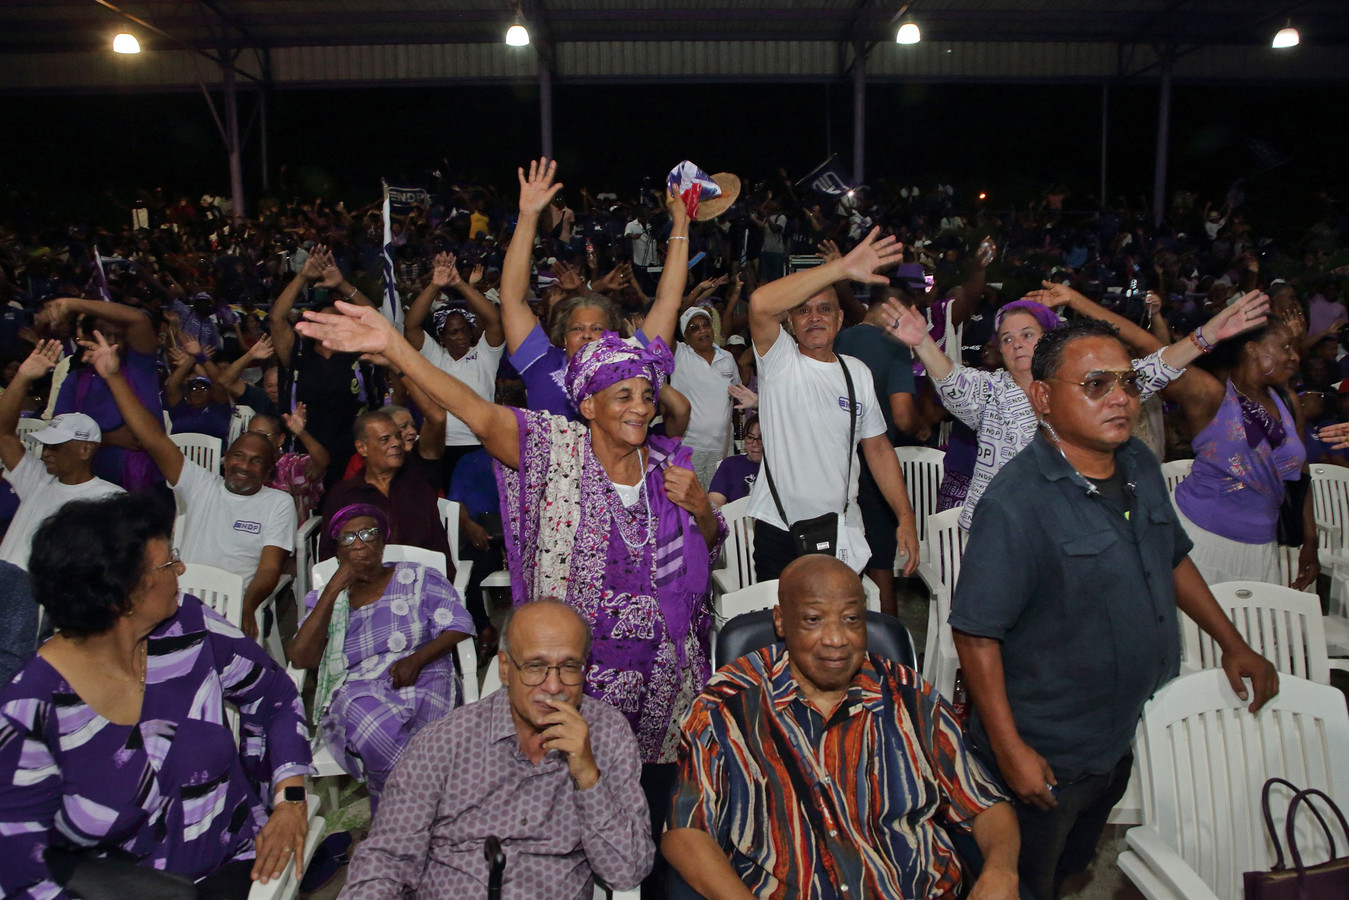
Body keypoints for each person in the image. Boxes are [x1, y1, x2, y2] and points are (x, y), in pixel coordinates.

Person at [292, 302, 724, 843]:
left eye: (645, 394)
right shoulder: (554, 451)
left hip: (666, 694)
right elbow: (474, 409)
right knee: (568, 827)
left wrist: (702, 509)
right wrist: (395, 348)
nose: (639, 408)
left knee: (655, 823)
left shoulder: (668, 464)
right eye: (623, 395)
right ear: (588, 404)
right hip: (577, 688)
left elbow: (706, 549)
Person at [949, 319, 1280, 900]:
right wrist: (1011, 751)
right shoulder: (1017, 502)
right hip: (1047, 752)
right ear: (1043, 397)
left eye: (1126, 382)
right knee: (1025, 882)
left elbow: (1173, 557)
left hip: (1121, 734)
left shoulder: (1139, 466)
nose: (1121, 398)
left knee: (1077, 866)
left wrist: (1234, 643)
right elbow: (976, 635)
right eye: (1096, 384)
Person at [0, 493, 312, 898]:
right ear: (122, 598)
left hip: (237, 865)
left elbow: (276, 698)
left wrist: (290, 799)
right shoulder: (31, 713)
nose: (181, 568)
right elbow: (23, 876)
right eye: (168, 564)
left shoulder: (189, 628)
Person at [663, 555, 1019, 900]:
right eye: (814, 619)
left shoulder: (907, 696)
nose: (836, 638)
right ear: (781, 621)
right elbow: (685, 831)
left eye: (851, 619)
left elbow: (984, 802)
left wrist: (1002, 871)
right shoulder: (729, 703)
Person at [338, 599, 654, 899]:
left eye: (569, 666)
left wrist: (588, 776)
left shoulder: (607, 735)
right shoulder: (445, 742)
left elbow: (627, 871)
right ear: (505, 668)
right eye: (535, 666)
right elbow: (385, 860)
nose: (554, 686)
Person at [889, 284, 1270, 530]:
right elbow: (951, 379)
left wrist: (1207, 336)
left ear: (1049, 339)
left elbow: (1152, 370)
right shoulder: (990, 392)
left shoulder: (1081, 386)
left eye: (1027, 334)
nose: (1017, 344)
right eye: (1007, 339)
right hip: (997, 533)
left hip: (1069, 532)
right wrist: (923, 342)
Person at [90, 331, 297, 642]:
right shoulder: (202, 483)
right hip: (178, 601)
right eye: (238, 456)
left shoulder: (278, 503)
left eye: (256, 462)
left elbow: (269, 570)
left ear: (268, 472)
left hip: (234, 605)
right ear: (226, 459)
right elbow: (153, 438)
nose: (244, 466)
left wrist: (247, 605)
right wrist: (114, 376)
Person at [745, 228, 920, 582]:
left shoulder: (857, 373)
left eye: (825, 309)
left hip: (842, 527)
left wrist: (906, 517)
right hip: (779, 528)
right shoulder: (779, 361)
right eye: (804, 311)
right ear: (791, 324)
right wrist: (841, 268)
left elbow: (878, 448)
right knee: (783, 632)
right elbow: (760, 304)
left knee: (841, 631)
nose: (814, 318)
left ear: (840, 320)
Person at [286, 505, 473, 812]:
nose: (359, 544)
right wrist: (332, 588)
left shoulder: (419, 576)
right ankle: (423, 815)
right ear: (338, 552)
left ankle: (391, 822)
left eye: (369, 534)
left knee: (414, 733)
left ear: (383, 542)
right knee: (369, 719)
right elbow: (300, 657)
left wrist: (417, 659)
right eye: (348, 538)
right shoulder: (329, 598)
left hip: (422, 674)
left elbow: (458, 624)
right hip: (360, 689)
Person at [498, 158, 690, 435]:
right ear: (563, 337)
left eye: (597, 328)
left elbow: (667, 302)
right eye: (577, 329)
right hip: (553, 478)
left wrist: (680, 226)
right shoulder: (540, 361)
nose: (587, 335)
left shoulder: (631, 359)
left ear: (613, 335)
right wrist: (528, 217)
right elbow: (512, 299)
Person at [1172, 316, 1320, 586]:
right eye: (1286, 347)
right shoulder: (1214, 395)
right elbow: (1156, 354)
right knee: (1195, 628)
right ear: (1252, 349)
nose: (1296, 357)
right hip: (1202, 539)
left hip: (1261, 546)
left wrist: (1311, 540)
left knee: (1254, 629)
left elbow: (1301, 474)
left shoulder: (1287, 401)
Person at [834, 287, 921, 614]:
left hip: (838, 468)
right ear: (900, 310)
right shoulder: (896, 347)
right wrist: (921, 424)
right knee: (881, 566)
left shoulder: (836, 340)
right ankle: (888, 656)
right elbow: (901, 415)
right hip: (877, 466)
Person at [0, 341, 122, 569]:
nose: (46, 453)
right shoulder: (36, 478)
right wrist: (22, 377)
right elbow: (3, 434)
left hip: (44, 598)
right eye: (46, 445)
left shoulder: (110, 499)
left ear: (86, 449)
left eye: (55, 446)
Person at [268, 244, 376, 486]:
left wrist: (341, 284)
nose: (331, 324)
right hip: (308, 453)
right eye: (324, 319)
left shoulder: (355, 353)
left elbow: (373, 316)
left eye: (337, 320)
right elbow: (276, 318)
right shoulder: (297, 354)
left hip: (354, 454)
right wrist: (303, 276)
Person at [39, 295, 165, 490]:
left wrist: (71, 304)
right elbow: (60, 434)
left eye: (120, 336)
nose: (113, 342)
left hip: (141, 481)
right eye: (105, 335)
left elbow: (139, 319)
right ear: (88, 339)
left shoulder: (139, 366)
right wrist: (109, 439)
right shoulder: (75, 380)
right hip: (88, 479)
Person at [403, 251, 505, 483]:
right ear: (442, 338)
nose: (460, 337)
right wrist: (434, 285)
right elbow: (411, 327)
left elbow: (494, 320)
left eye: (464, 330)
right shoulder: (435, 357)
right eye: (453, 332)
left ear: (471, 332)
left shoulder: (484, 356)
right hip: (440, 445)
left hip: (481, 444)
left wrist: (459, 283)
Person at [317, 405, 448, 561]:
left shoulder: (420, 475)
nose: (396, 443)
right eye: (385, 439)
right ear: (362, 448)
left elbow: (437, 417)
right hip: (365, 582)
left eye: (398, 436)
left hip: (426, 579)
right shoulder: (343, 495)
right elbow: (328, 554)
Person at [671, 305, 742, 487]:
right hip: (690, 448)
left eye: (705, 324)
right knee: (690, 504)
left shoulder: (727, 358)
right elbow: (665, 328)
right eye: (694, 328)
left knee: (719, 505)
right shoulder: (679, 355)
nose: (702, 330)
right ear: (685, 337)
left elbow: (737, 395)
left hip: (722, 448)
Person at [245, 408, 329, 523]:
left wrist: (301, 433)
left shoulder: (292, 466)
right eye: (250, 434)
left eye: (261, 435)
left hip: (287, 533)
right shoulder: (244, 464)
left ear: (280, 439)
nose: (254, 440)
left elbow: (322, 461)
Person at [706, 414, 761, 508]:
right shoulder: (730, 465)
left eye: (761, 438)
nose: (755, 444)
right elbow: (714, 505)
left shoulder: (781, 467)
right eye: (750, 438)